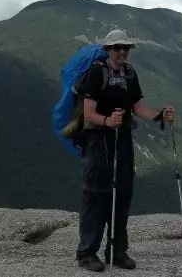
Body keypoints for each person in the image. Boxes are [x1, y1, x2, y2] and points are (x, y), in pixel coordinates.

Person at [75, 29, 175, 272]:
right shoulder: (97, 72)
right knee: (97, 195)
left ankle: (117, 251)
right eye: (117, 47)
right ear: (108, 49)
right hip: (99, 140)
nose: (122, 52)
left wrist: (159, 115)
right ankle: (87, 253)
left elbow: (138, 108)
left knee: (123, 193)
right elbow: (88, 113)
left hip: (123, 139)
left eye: (126, 48)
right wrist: (108, 121)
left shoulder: (130, 74)